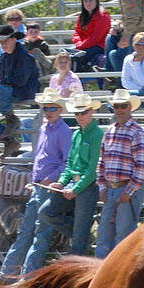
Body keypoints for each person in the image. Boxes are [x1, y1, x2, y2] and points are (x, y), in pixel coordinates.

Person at [0, 89, 72, 283]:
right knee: (28, 231)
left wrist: (49, 179)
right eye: (45, 107)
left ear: (60, 109)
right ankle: (9, 274)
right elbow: (40, 159)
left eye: (52, 107)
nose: (48, 110)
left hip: (48, 187)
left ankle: (26, 277)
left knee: (40, 233)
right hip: (39, 186)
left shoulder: (64, 131)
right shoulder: (45, 128)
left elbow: (67, 162)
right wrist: (34, 179)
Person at [39, 92, 103, 255]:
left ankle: (80, 245)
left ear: (91, 112)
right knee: (46, 212)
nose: (80, 116)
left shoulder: (98, 134)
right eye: (77, 113)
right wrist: (61, 182)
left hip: (86, 187)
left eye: (83, 112)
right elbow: (70, 164)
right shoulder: (76, 134)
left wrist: (75, 188)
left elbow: (93, 169)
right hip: (74, 185)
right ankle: (83, 237)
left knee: (73, 229)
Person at [94, 89, 144, 259]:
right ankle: (100, 274)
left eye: (123, 106)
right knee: (104, 234)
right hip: (112, 189)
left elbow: (143, 166)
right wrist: (102, 186)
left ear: (130, 107)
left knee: (123, 236)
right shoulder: (110, 130)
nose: (119, 109)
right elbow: (102, 161)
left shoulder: (138, 132)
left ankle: (118, 275)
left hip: (126, 188)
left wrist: (129, 191)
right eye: (117, 106)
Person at [70, 0, 111, 72]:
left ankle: (77, 80)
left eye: (90, 0)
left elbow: (95, 38)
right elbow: (77, 32)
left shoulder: (102, 16)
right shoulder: (82, 16)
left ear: (96, 1)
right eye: (85, 1)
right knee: (64, 53)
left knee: (77, 57)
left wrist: (81, 46)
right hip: (83, 46)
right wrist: (79, 44)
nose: (88, 3)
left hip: (99, 46)